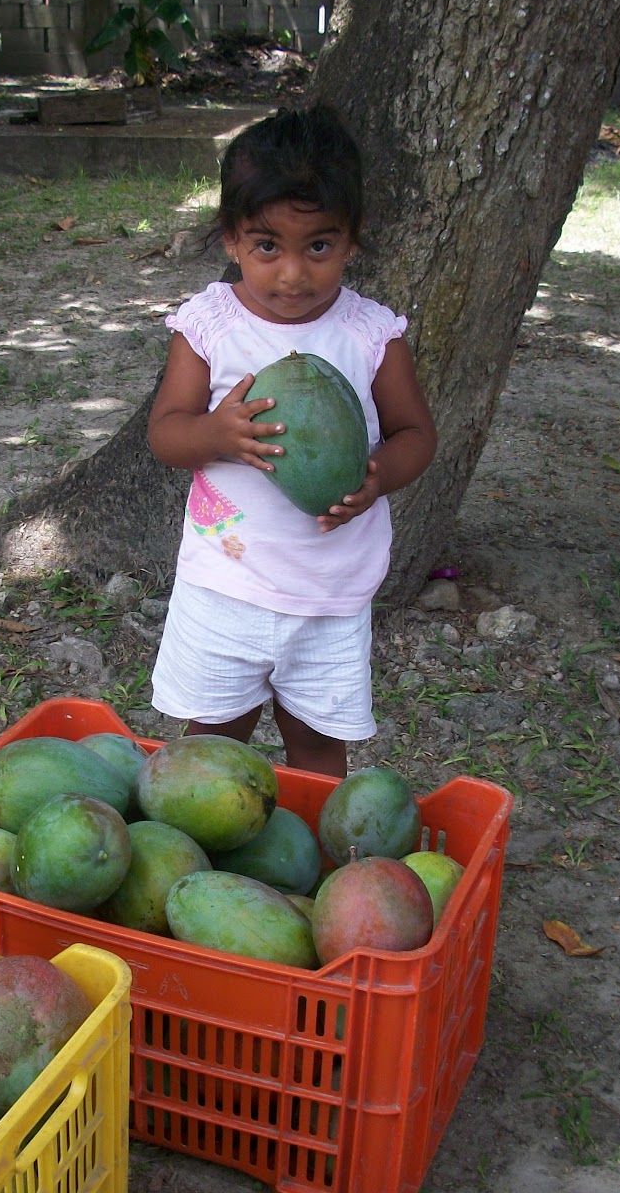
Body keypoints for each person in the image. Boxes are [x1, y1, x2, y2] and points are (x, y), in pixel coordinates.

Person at [146, 105, 438, 777]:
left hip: (329, 595)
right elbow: (166, 434)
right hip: (225, 585)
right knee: (210, 754)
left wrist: (378, 475)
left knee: (315, 751)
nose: (292, 276)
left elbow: (416, 435)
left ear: (353, 241)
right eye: (267, 246)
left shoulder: (368, 335)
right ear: (230, 239)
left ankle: (312, 873)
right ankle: (207, 872)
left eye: (319, 247)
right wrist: (217, 432)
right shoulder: (211, 326)